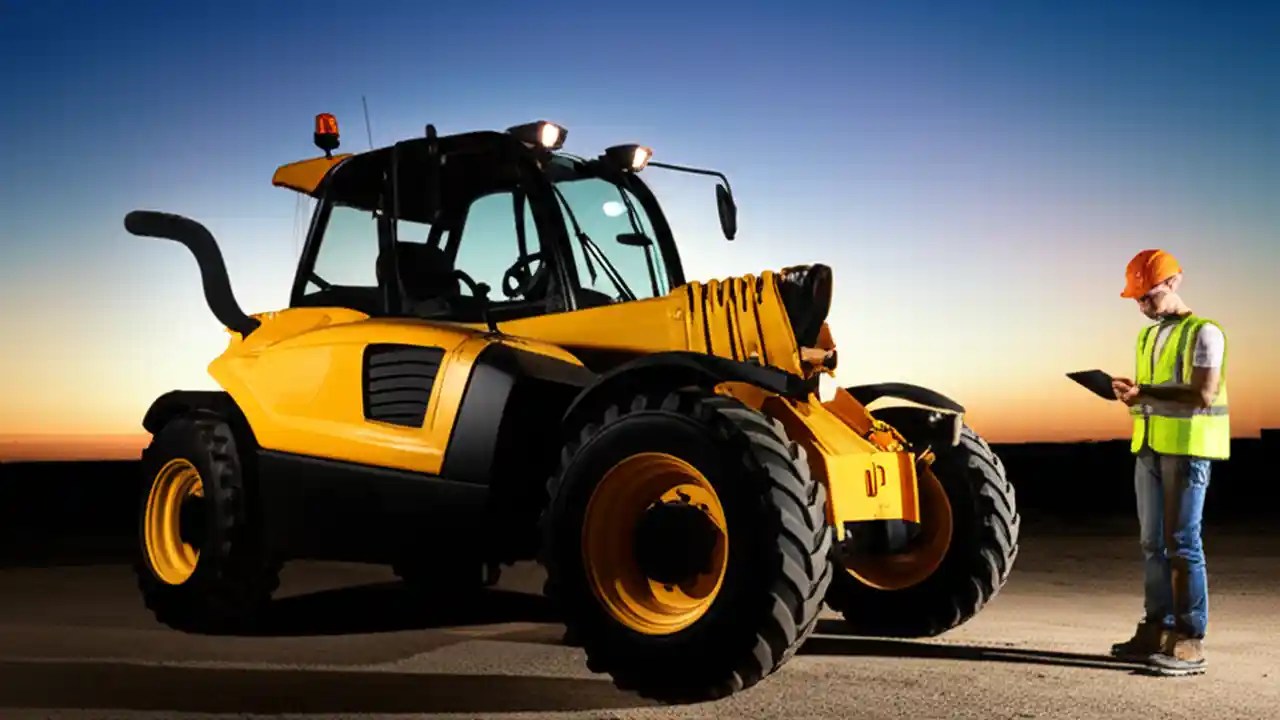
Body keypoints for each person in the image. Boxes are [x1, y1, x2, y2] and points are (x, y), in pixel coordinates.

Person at [1107, 248, 1230, 676]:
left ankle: (1190, 640)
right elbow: (1153, 392)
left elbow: (1203, 395)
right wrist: (1131, 395)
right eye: (1137, 299)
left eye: (1148, 296)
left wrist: (1145, 393)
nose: (1142, 305)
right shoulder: (1147, 336)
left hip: (1188, 449)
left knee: (1182, 543)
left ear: (1174, 283)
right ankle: (1156, 628)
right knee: (1151, 544)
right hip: (1150, 448)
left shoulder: (1205, 333)